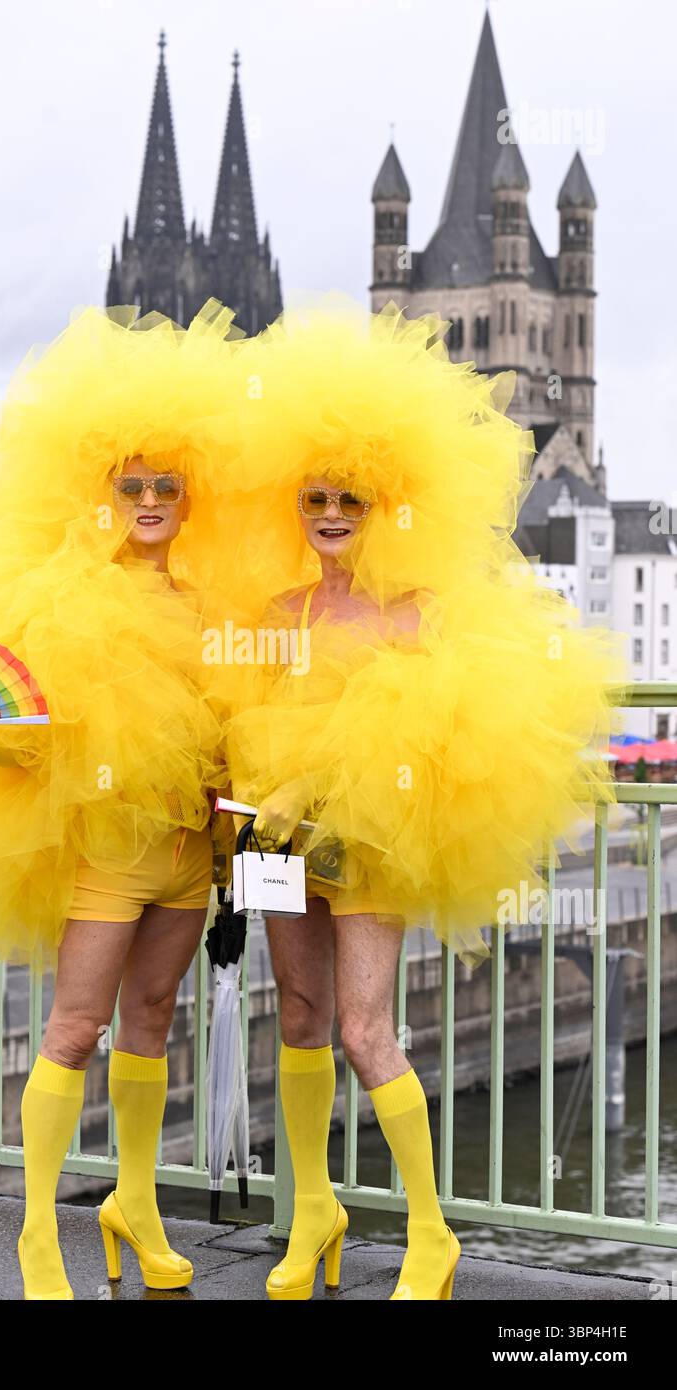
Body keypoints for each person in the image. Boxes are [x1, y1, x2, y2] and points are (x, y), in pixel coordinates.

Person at [225, 301, 625, 1300]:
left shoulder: (416, 616)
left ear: (381, 502)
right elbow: (243, 728)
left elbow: (431, 730)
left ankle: (431, 1232)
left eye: (349, 497)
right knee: (301, 1017)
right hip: (278, 842)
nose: (328, 512)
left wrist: (313, 779)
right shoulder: (276, 614)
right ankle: (312, 1212)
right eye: (315, 494)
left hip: (368, 836)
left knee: (364, 1026)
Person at [0, 303, 240, 1299]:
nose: (154, 499)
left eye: (169, 484)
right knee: (74, 1025)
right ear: (106, 492)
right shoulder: (66, 592)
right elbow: (24, 723)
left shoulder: (207, 600)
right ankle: (39, 1230)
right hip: (108, 845)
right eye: (134, 484)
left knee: (154, 1018)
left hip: (186, 846)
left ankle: (134, 1202)